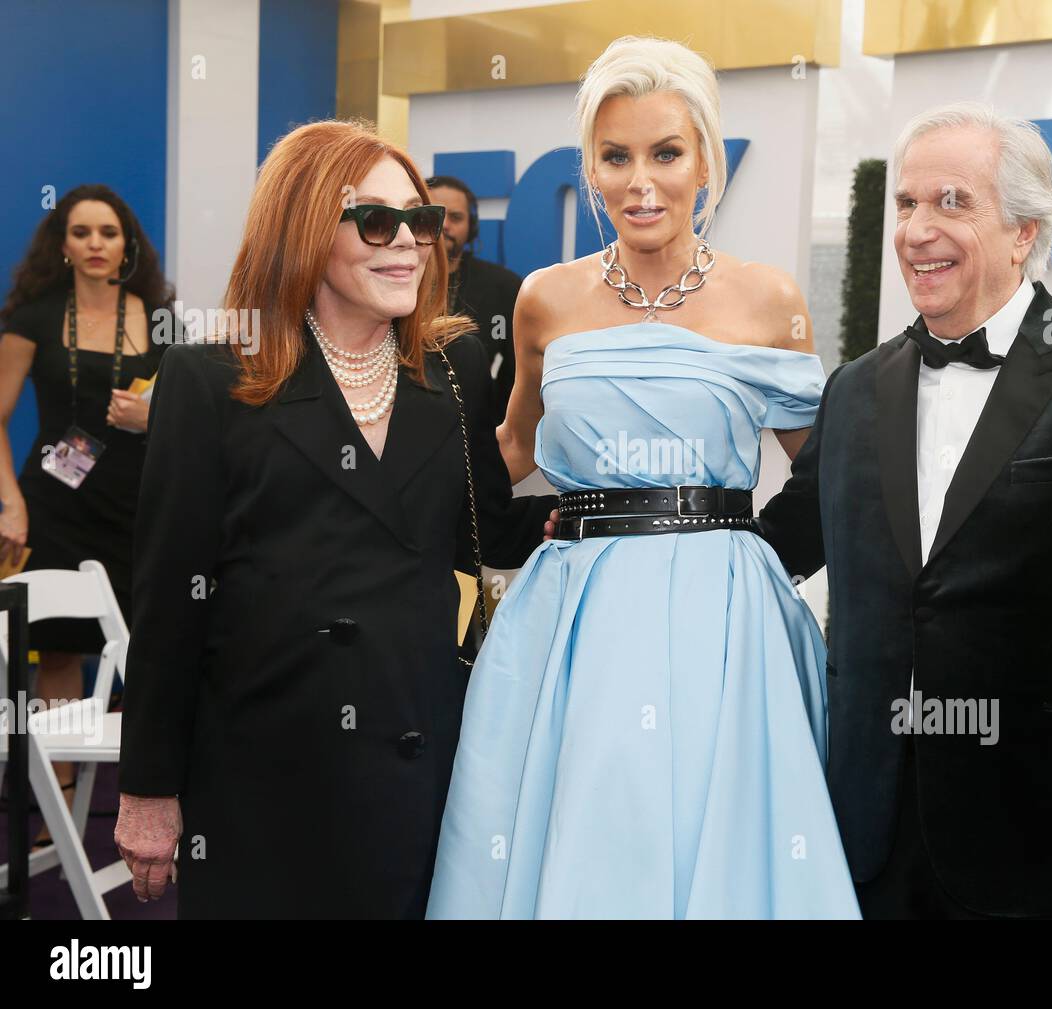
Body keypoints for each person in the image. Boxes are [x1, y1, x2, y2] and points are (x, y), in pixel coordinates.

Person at [759, 101, 1052, 920]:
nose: (917, 229)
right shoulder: (852, 391)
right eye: (907, 203)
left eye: (952, 202)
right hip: (867, 836)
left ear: (1024, 232)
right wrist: (623, 524)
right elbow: (774, 549)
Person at [426, 35, 860, 919]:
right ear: (589, 168)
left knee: (716, 825)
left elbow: (829, 464)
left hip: (723, 611)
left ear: (706, 160)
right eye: (616, 156)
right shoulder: (546, 296)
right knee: (587, 818)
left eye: (666, 153)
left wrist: (759, 557)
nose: (641, 181)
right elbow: (508, 450)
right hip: (574, 608)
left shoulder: (768, 299)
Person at [113, 120, 554, 919]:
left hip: (419, 765)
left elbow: (487, 528)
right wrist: (148, 785)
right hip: (261, 771)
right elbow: (170, 600)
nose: (409, 244)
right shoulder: (211, 379)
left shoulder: (448, 372)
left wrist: (611, 513)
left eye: (419, 222)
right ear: (306, 228)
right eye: (377, 222)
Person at [0, 185, 171, 843]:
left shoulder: (160, 316)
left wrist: (155, 414)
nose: (96, 244)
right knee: (64, 649)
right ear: (62, 244)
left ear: (127, 242)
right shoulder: (34, 318)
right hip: (56, 501)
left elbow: (192, 411)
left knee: (154, 647)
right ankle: (60, 800)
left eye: (108, 231)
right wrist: (11, 503)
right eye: (81, 232)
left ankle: (153, 803)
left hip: (143, 501)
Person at [425, 175, 522, 423]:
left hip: (475, 431)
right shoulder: (389, 280)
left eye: (456, 217)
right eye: (435, 213)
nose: (444, 224)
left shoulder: (503, 286)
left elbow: (516, 376)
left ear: (472, 228)